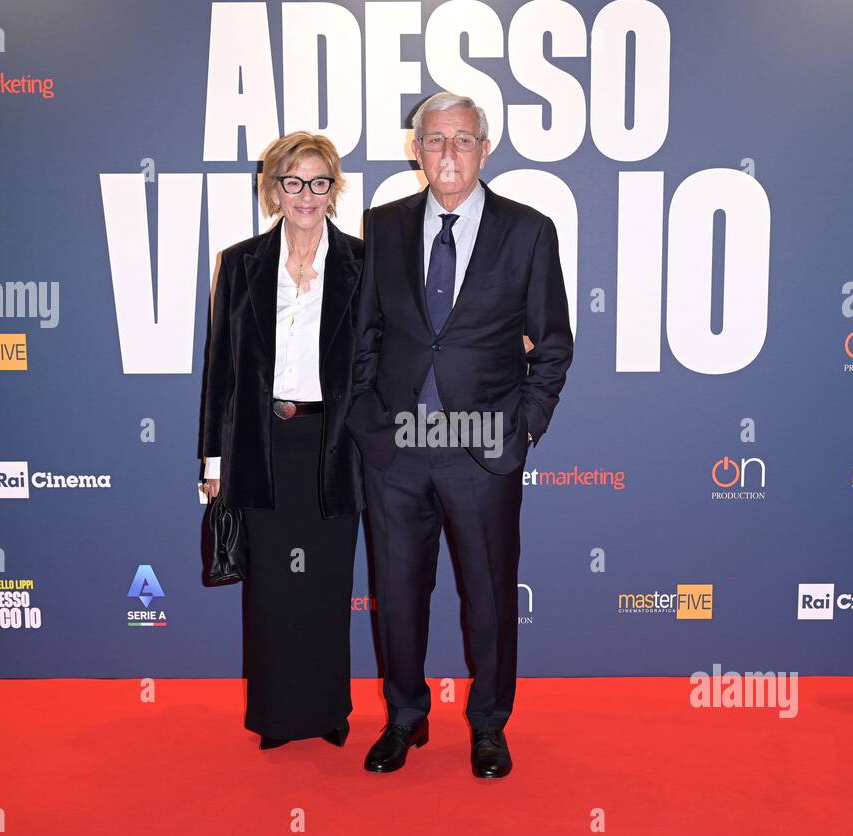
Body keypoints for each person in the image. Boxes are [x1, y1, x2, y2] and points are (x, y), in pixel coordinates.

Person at [346, 92, 574, 778]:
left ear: (485, 147)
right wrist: (367, 418)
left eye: (463, 140)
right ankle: (405, 718)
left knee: (490, 598)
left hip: (483, 450)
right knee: (399, 595)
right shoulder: (382, 226)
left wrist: (524, 427)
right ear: (415, 149)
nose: (449, 154)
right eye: (435, 140)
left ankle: (489, 726)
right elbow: (367, 334)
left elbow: (554, 344)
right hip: (396, 450)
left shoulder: (528, 231)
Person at [198, 131, 365, 750]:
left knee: (326, 584)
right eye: (292, 181)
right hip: (260, 444)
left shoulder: (361, 263)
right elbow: (220, 371)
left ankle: (329, 712)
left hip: (333, 446)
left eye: (318, 181)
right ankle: (275, 715)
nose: (305, 195)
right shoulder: (239, 263)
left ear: (333, 190)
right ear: (274, 190)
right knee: (271, 588)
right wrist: (212, 461)